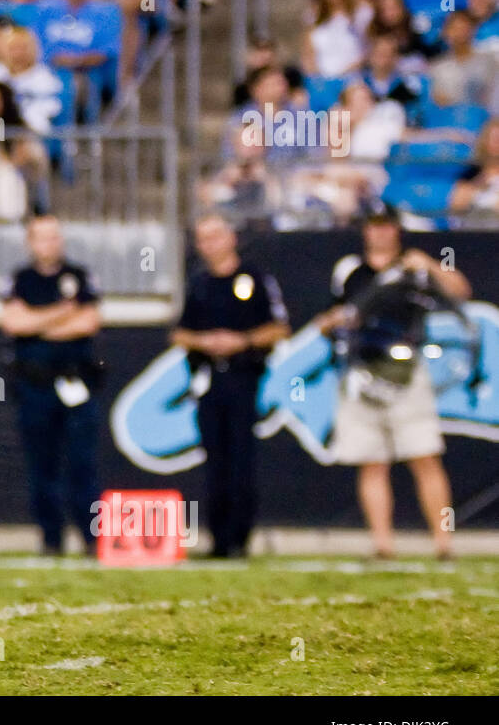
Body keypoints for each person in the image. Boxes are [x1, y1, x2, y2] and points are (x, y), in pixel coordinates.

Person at [316, 201, 471, 559]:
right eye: (373, 225)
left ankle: (444, 543)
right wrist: (338, 321)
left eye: (386, 225)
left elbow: (460, 290)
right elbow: (328, 319)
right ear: (365, 230)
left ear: (397, 229)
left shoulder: (414, 268)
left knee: (424, 455)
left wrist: (430, 265)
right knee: (372, 460)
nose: (380, 232)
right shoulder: (350, 271)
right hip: (361, 371)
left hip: (405, 370)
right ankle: (382, 544)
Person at [171, 214, 290, 557]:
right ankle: (219, 539)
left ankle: (240, 538)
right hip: (208, 380)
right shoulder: (199, 283)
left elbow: (280, 327)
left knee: (241, 459)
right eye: (202, 239)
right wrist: (206, 342)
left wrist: (241, 341)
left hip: (242, 376)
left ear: (231, 239)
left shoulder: (255, 279)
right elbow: (180, 333)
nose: (209, 245)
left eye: (215, 237)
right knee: (214, 461)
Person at [1, 216, 104, 556]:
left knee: (81, 463)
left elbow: (89, 322)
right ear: (30, 242)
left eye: (54, 237)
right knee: (41, 465)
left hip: (76, 382)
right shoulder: (21, 279)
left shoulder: (79, 275)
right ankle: (51, 538)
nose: (50, 244)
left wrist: (38, 321)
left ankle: (91, 538)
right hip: (35, 385)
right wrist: (63, 313)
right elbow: (14, 323)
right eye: (42, 238)